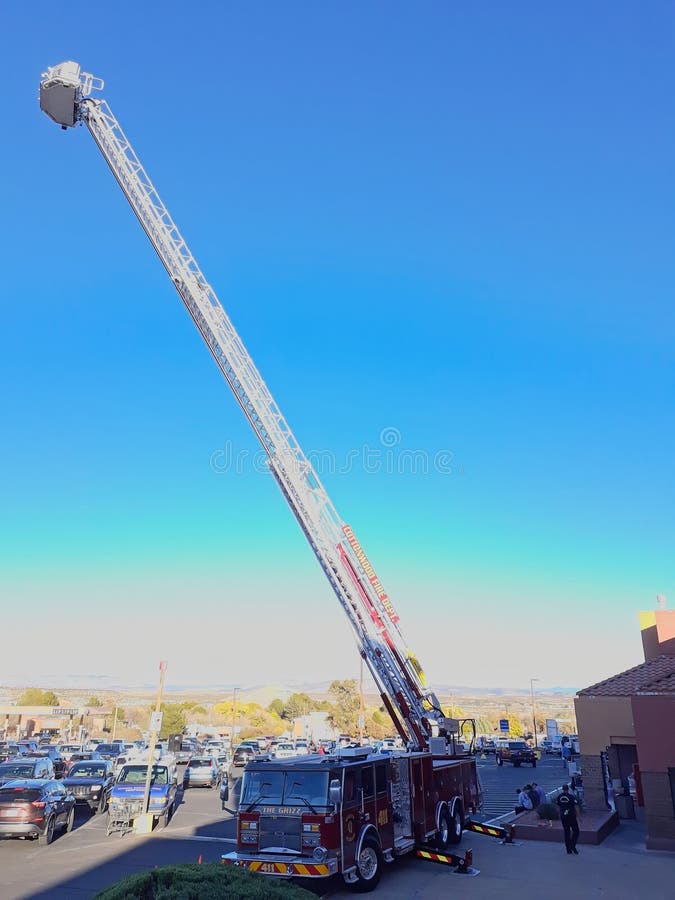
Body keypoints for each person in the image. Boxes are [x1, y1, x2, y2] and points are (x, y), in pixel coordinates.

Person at [556, 783, 580, 854]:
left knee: (567, 832)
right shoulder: (571, 796)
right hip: (571, 816)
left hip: (563, 816)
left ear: (562, 789)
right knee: (576, 831)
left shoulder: (559, 797)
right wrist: (579, 816)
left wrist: (558, 815)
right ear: (568, 789)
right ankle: (572, 845)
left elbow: (558, 806)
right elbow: (576, 806)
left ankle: (568, 849)